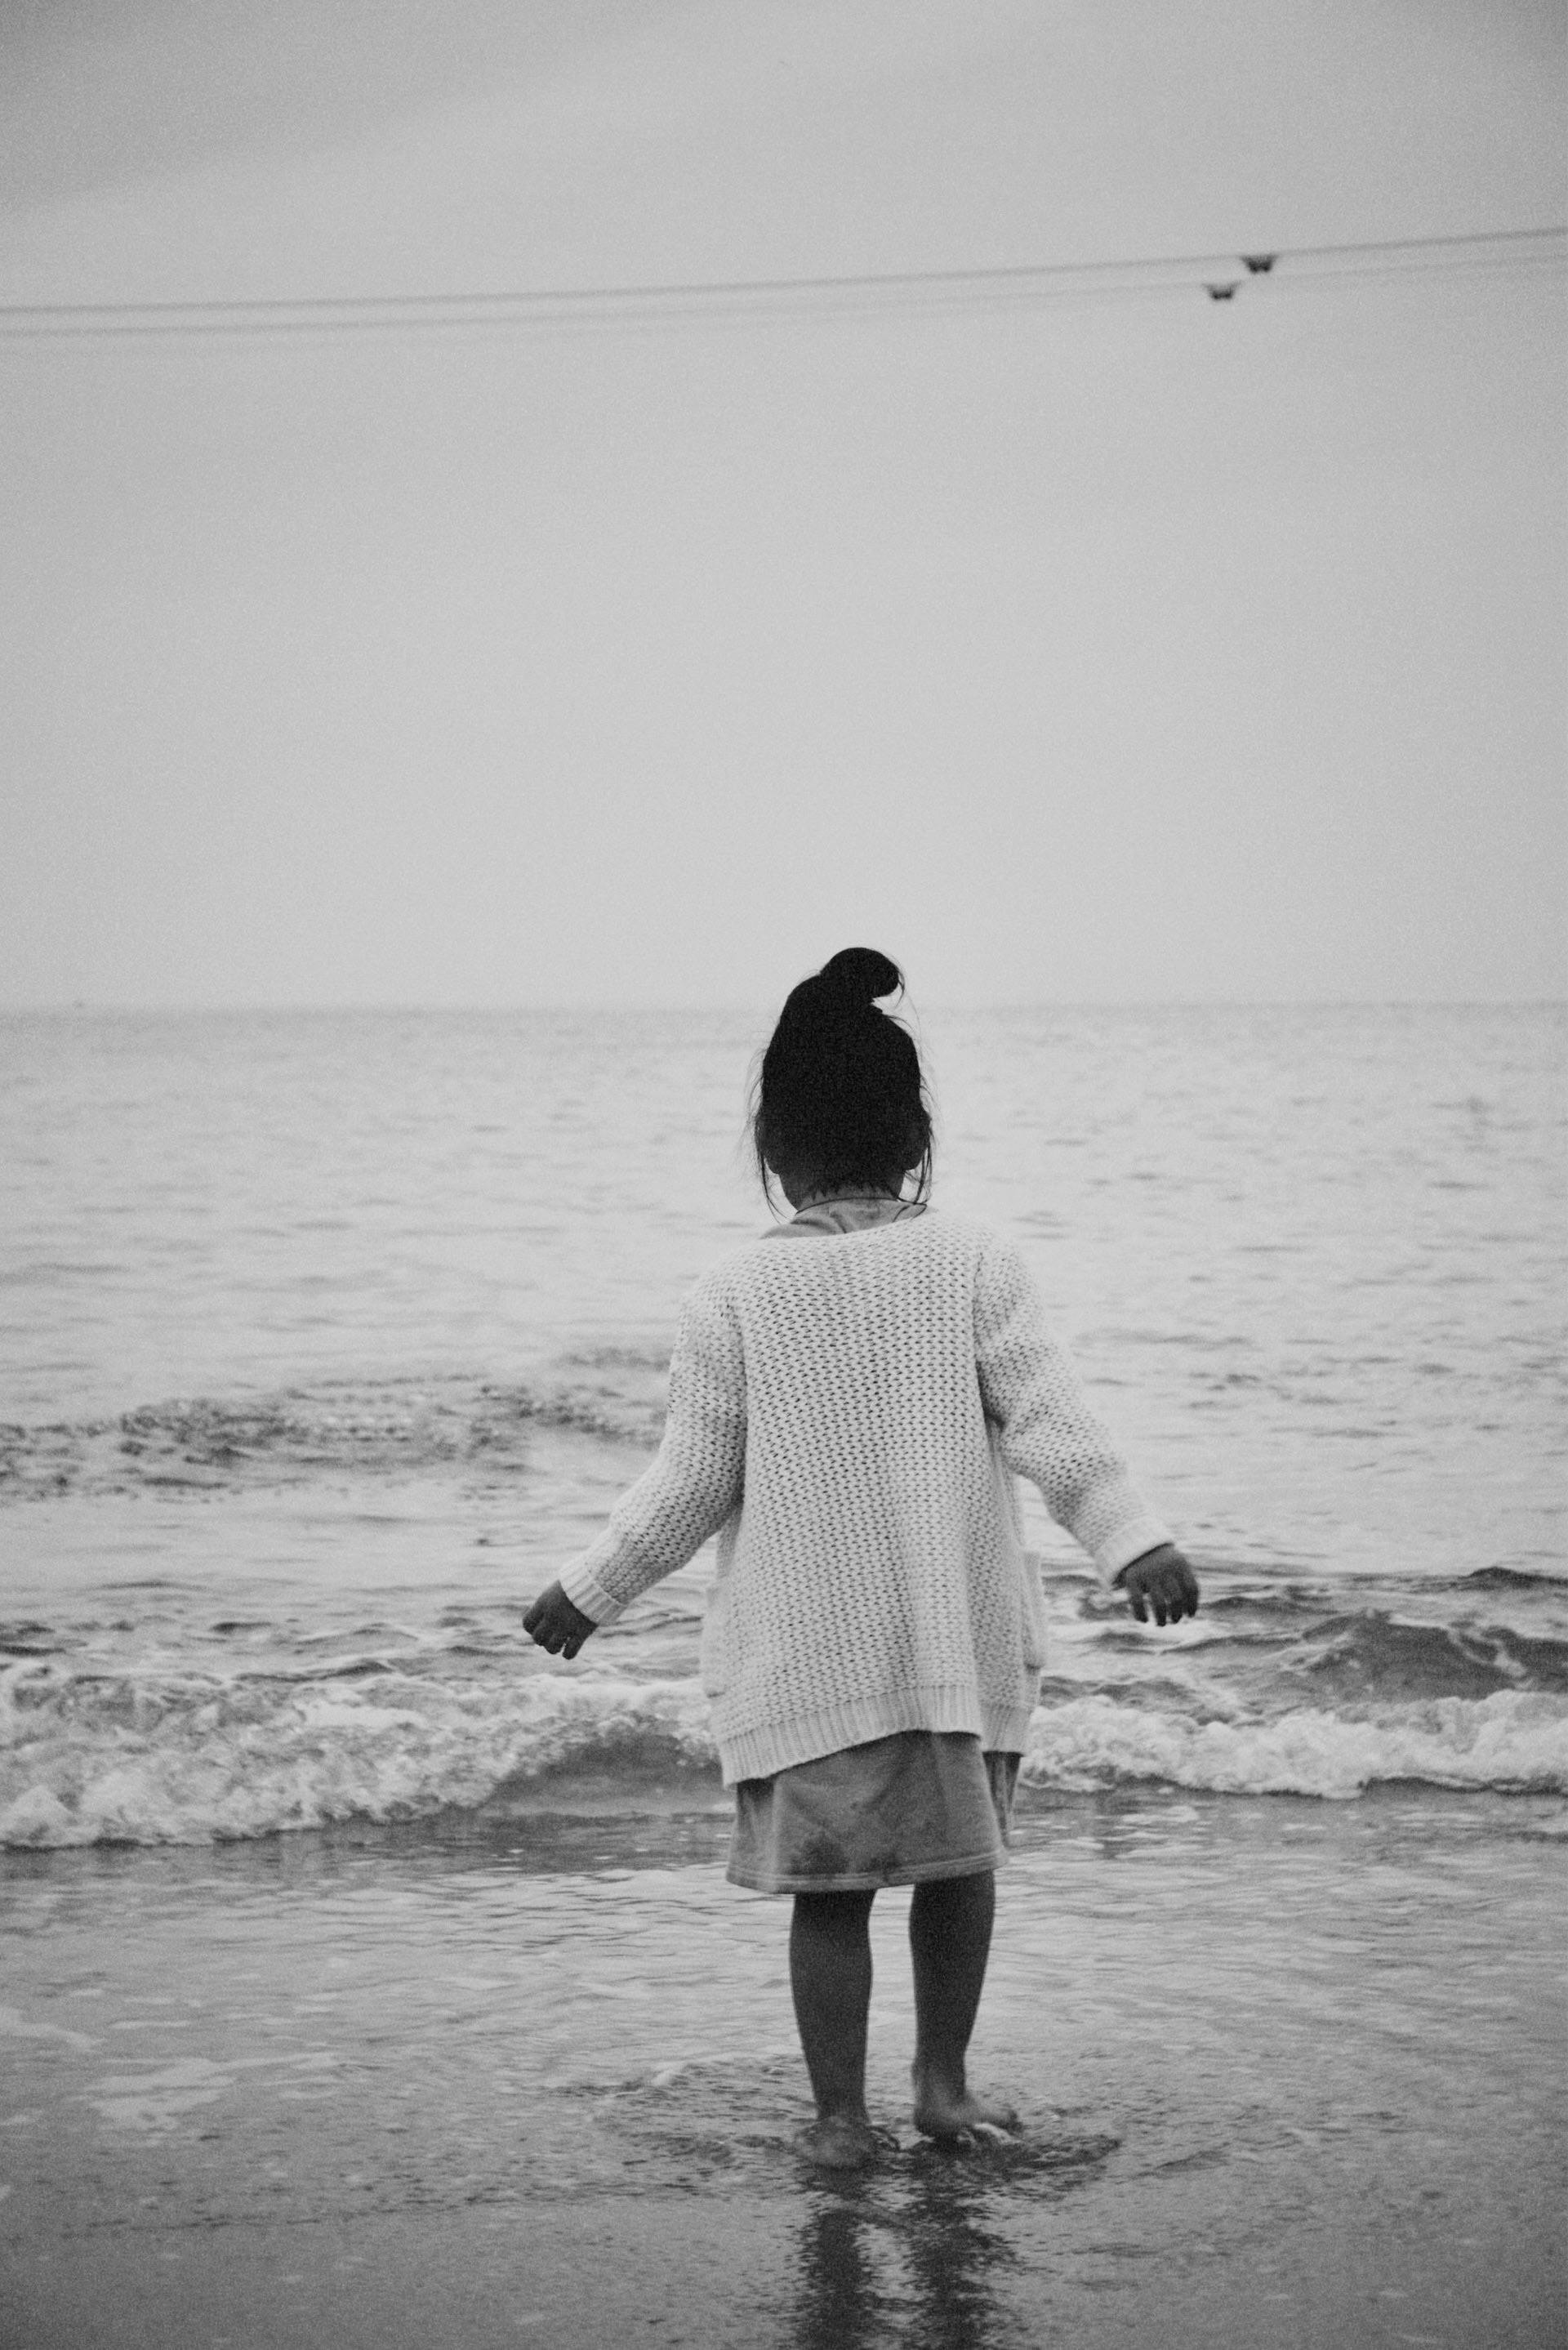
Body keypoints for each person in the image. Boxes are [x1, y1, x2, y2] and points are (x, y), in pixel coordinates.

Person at [524, 947, 1200, 2169]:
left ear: (774, 1146)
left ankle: (841, 2120)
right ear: (915, 1135)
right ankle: (942, 2087)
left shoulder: (731, 1290)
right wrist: (1132, 1538)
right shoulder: (976, 1259)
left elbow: (689, 1480)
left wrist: (590, 1589)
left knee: (829, 1897)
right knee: (958, 1870)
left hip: (808, 1663)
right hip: (953, 1652)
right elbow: (1055, 1424)